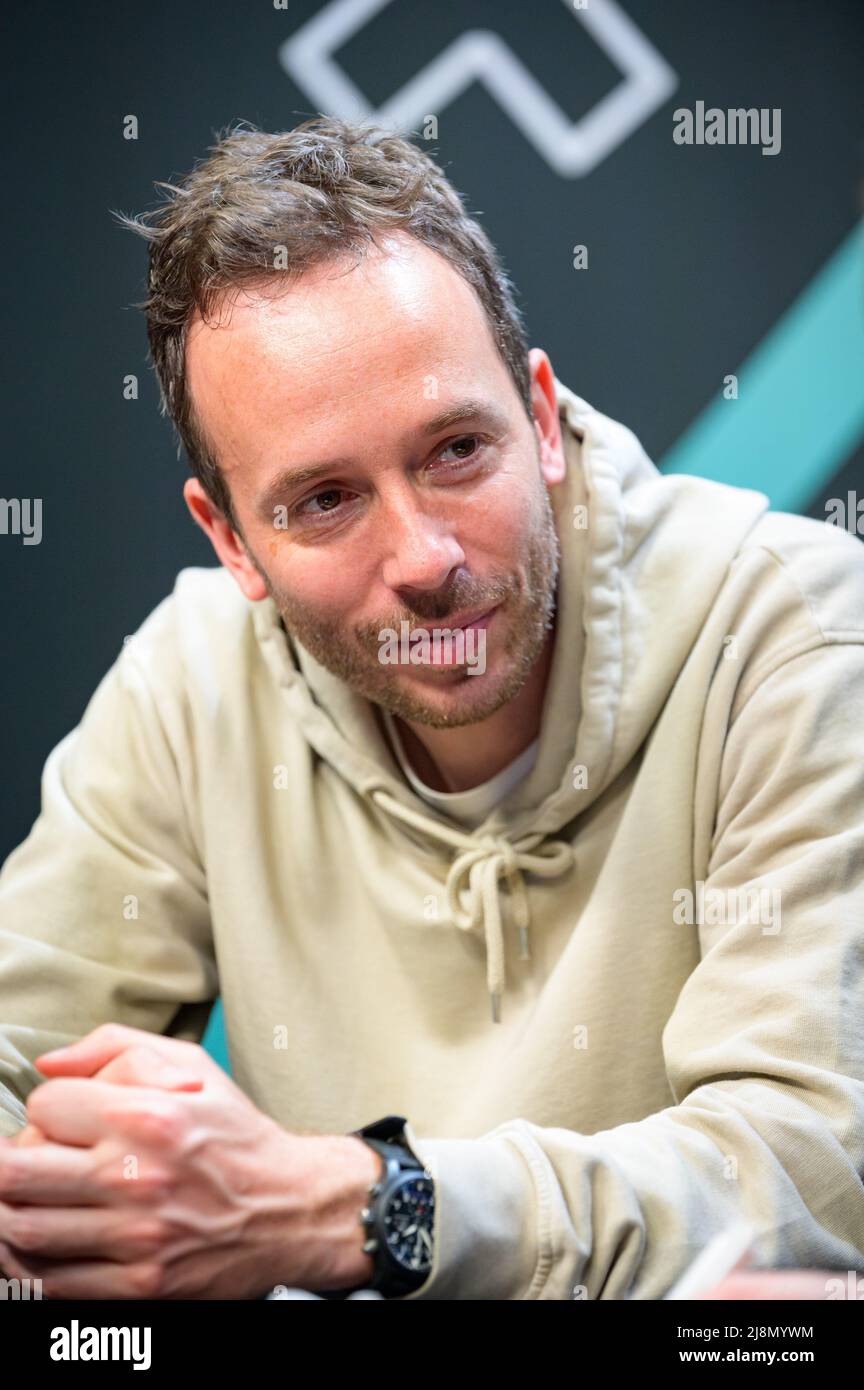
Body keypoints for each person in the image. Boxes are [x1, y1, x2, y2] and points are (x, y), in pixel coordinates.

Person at [1, 116, 863, 1302]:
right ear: (230, 539)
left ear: (543, 416)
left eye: (458, 448)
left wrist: (366, 1206)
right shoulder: (193, 680)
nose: (423, 559)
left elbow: (807, 1178)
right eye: (324, 500)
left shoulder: (803, 638)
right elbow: (14, 1064)